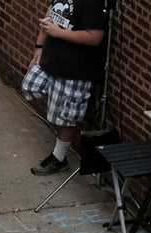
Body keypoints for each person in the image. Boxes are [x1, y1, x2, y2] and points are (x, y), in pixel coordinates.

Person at [20, 0, 108, 176]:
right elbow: (50, 14)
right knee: (31, 85)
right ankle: (71, 108)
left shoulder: (93, 4)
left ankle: (59, 158)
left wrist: (60, 33)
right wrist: (39, 45)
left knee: (65, 118)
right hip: (51, 60)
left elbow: (95, 37)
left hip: (75, 70)